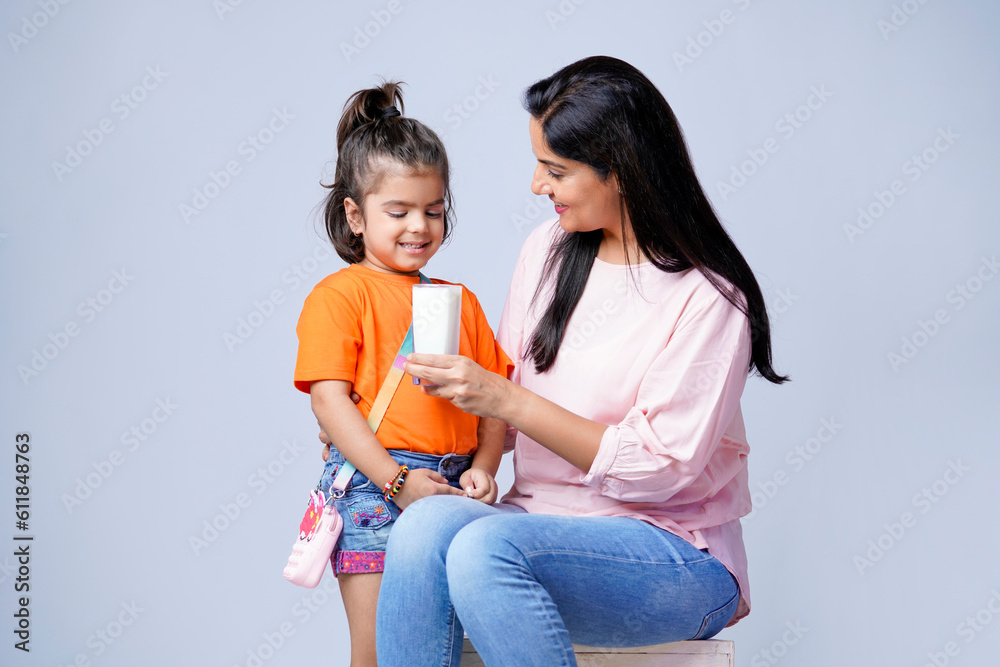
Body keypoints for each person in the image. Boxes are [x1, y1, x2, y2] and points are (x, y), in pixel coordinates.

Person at [371, 56, 789, 666]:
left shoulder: (710, 298)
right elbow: (499, 420)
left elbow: (661, 467)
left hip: (675, 554)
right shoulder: (547, 250)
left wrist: (504, 398)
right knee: (422, 529)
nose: (537, 186)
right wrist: (368, 426)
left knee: (484, 549)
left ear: (619, 171)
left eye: (555, 170)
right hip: (531, 525)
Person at [294, 81, 514, 667]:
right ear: (355, 215)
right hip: (374, 491)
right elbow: (329, 403)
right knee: (380, 655)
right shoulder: (339, 295)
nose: (419, 226)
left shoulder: (461, 300)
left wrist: (486, 469)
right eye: (398, 212)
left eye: (433, 211)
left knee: (443, 655)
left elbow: (495, 400)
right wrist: (397, 482)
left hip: (453, 485)